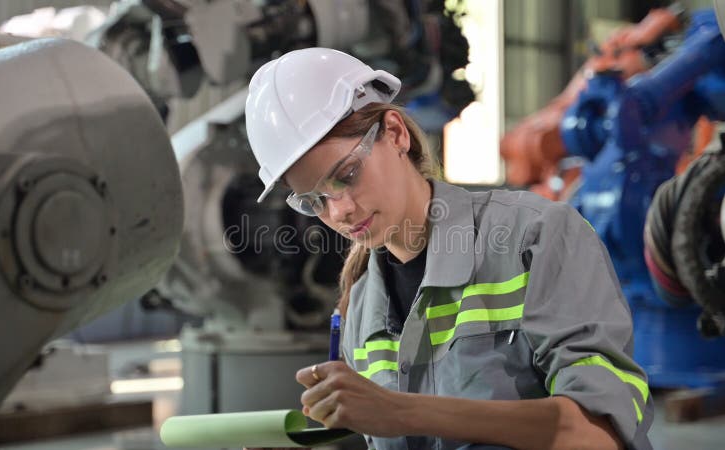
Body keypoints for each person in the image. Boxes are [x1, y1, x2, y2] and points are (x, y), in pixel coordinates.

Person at [244, 47, 653, 450]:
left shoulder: (537, 236)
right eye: (315, 201)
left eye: (347, 175)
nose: (340, 211)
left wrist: (403, 411)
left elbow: (600, 434)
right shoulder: (362, 307)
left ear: (395, 133)